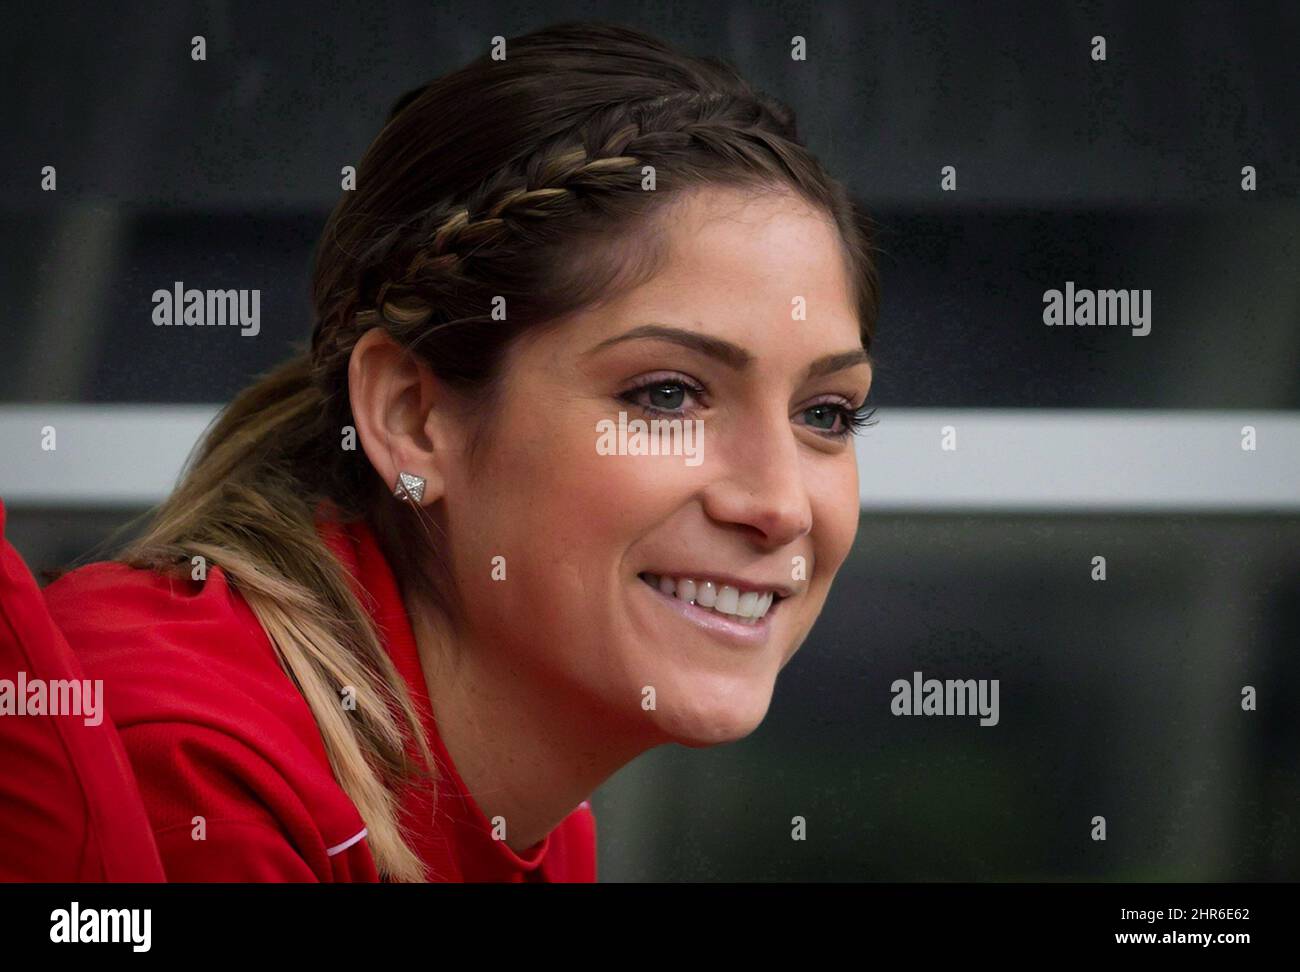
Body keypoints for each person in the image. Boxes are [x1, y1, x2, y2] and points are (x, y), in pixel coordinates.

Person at [40, 20, 880, 882]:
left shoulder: (540, 827)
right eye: (666, 395)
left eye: (825, 413)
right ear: (412, 418)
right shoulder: (187, 768)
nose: (779, 505)